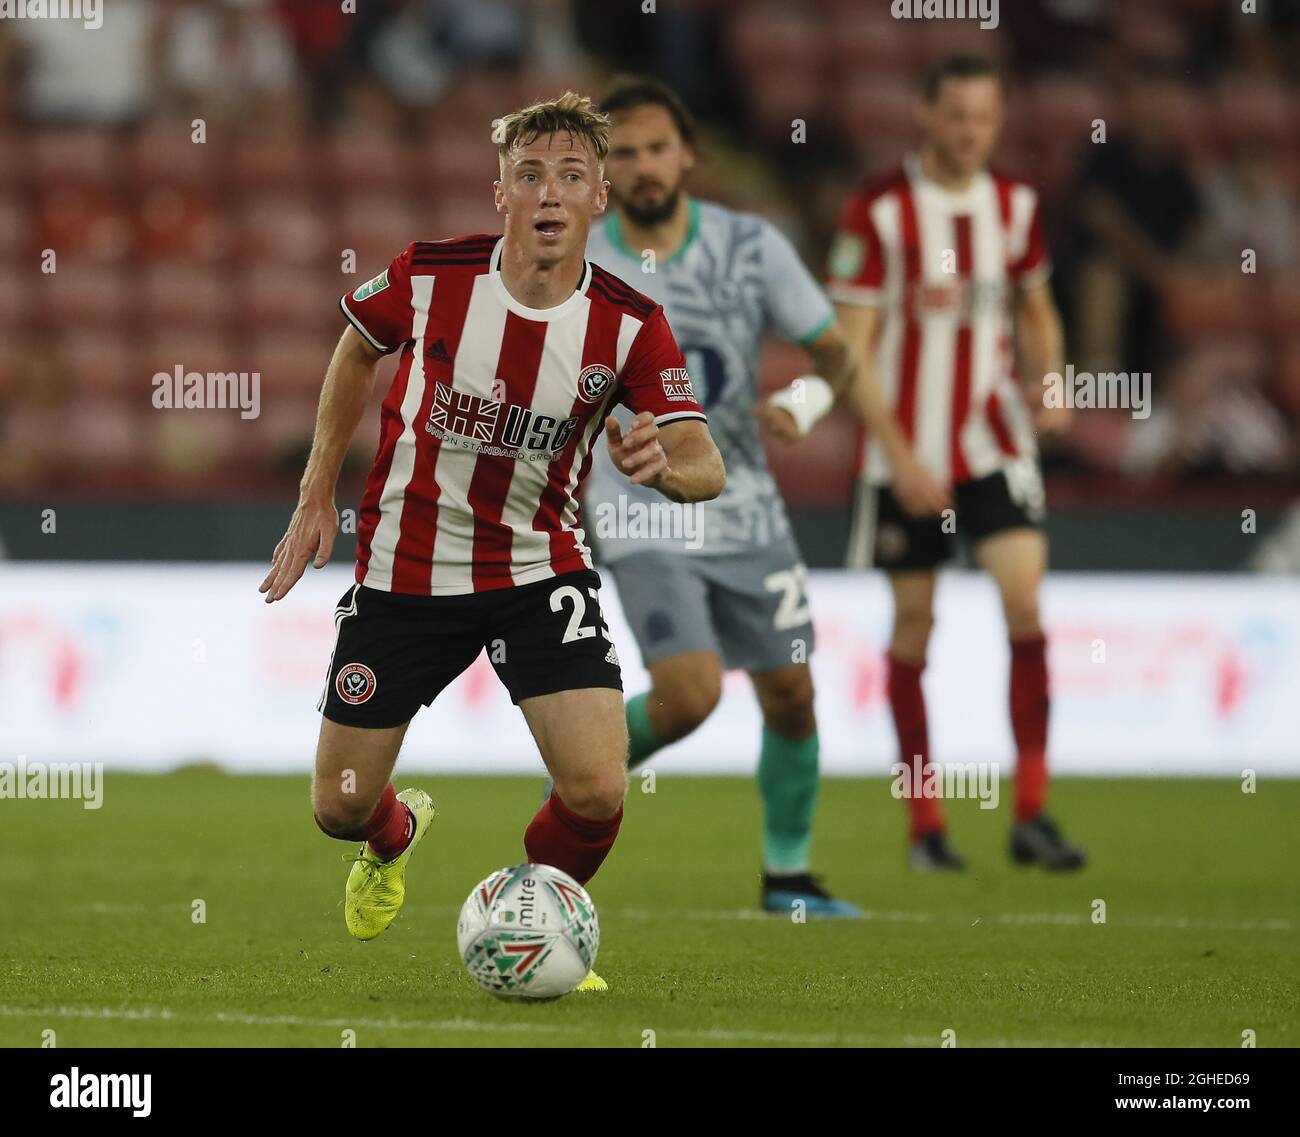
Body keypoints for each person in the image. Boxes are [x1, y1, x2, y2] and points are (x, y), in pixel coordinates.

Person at [260, 92, 725, 991]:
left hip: (535, 563)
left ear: (599, 201)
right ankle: (394, 836)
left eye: (573, 176)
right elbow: (356, 349)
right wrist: (316, 491)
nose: (550, 192)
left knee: (597, 789)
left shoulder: (630, 322)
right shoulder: (431, 276)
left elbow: (707, 462)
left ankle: (538, 919)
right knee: (338, 807)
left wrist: (661, 463)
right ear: (500, 191)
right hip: (406, 566)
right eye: (531, 174)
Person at [584, 78, 863, 915]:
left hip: (743, 502)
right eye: (622, 153)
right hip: (637, 504)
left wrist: (804, 404)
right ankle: (574, 781)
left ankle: (788, 877)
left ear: (689, 155)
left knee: (793, 692)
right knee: (692, 694)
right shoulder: (581, 261)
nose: (642, 166)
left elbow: (837, 355)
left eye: (656, 148)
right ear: (604, 170)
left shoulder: (753, 246)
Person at [829, 56, 1086, 871]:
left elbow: (1038, 309)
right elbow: (851, 351)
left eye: (986, 117)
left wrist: (1054, 383)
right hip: (904, 455)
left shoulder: (1015, 207)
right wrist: (900, 457)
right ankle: (925, 826)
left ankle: (1033, 813)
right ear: (925, 114)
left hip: (992, 443)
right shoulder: (879, 210)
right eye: (959, 115)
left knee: (1025, 604)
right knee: (915, 627)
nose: (973, 131)